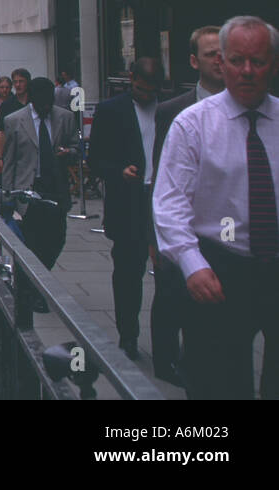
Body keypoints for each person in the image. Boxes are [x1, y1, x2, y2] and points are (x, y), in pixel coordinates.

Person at [154, 16, 279, 400]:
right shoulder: (192, 125)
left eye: (257, 61)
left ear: (272, 64)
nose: (247, 71)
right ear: (221, 62)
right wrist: (192, 265)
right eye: (237, 60)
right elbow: (169, 204)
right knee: (220, 387)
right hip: (219, 271)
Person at [147, 26, 223, 385]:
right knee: (172, 300)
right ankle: (168, 364)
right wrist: (156, 236)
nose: (221, 60)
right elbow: (162, 182)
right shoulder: (174, 112)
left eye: (226, 53)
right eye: (212, 54)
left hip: (231, 243)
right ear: (194, 61)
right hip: (183, 234)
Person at [90, 57, 164, 362]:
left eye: (151, 91)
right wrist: (119, 171)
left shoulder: (170, 108)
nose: (145, 96)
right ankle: (128, 336)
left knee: (169, 278)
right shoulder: (111, 110)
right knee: (128, 275)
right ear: (130, 79)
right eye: (140, 89)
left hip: (162, 201)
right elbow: (95, 159)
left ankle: (166, 347)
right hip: (129, 203)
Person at [2, 77, 80, 293]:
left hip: (55, 187)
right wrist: (7, 196)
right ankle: (33, 289)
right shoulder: (14, 120)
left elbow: (76, 146)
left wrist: (68, 152)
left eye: (49, 102)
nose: (46, 106)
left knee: (57, 238)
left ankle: (37, 279)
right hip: (29, 188)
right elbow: (10, 160)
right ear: (31, 98)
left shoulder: (64, 118)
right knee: (33, 241)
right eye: (42, 102)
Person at [0, 68, 32, 183]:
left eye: (21, 81)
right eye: (15, 82)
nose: (18, 85)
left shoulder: (33, 103)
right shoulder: (7, 105)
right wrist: (0, 158)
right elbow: (1, 132)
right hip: (13, 151)